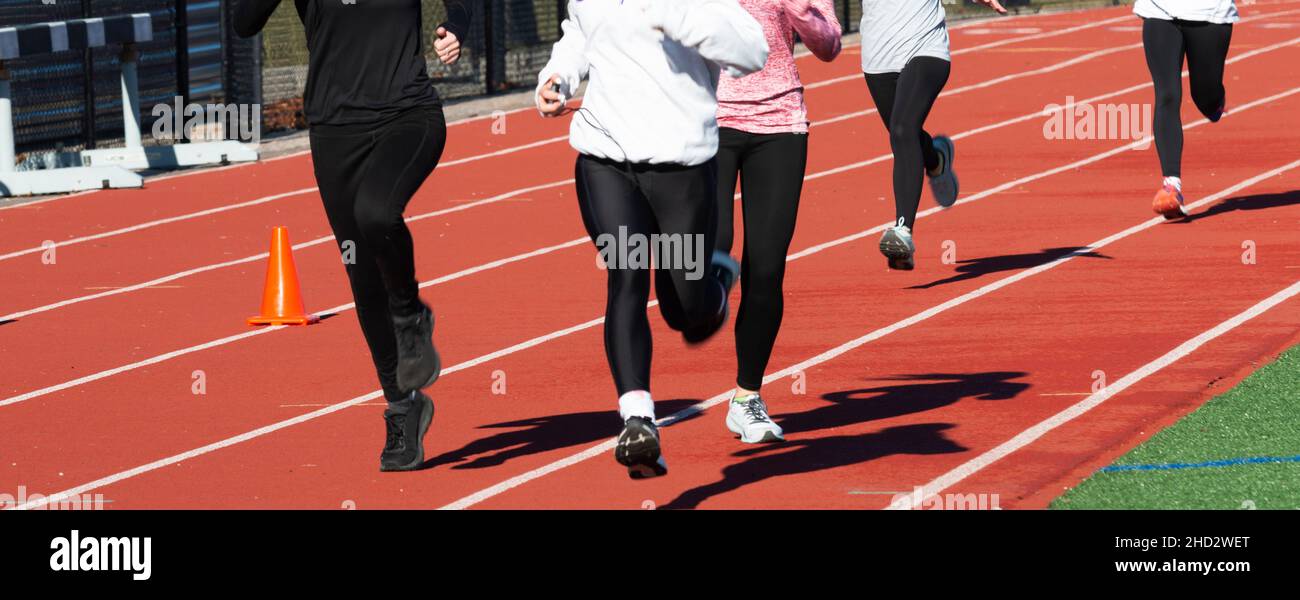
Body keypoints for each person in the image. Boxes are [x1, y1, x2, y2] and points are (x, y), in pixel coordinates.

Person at [234, 0, 472, 472]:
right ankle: (403, 406)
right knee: (362, 277)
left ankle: (410, 317)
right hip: (334, 129)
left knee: (377, 213)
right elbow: (244, 23)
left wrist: (455, 27)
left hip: (408, 113)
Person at [535, 0, 768, 478]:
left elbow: (751, 52)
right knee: (627, 276)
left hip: (681, 163)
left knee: (686, 309)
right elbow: (579, 35)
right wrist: (556, 78)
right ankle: (638, 422)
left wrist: (680, 15)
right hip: (606, 157)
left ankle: (712, 289)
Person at [712, 0, 841, 444]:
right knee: (714, 246)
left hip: (780, 122)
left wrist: (799, 9)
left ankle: (747, 398)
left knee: (766, 269)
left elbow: (829, 46)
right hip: (705, 119)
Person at [864, 0, 1006, 270]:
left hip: (925, 46)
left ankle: (902, 232)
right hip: (877, 53)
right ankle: (936, 159)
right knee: (905, 137)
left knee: (903, 130)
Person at [1135, 0, 1237, 218]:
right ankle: (1171, 186)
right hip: (1159, 11)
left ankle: (1214, 101)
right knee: (1167, 95)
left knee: (1204, 96)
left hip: (1210, 13)